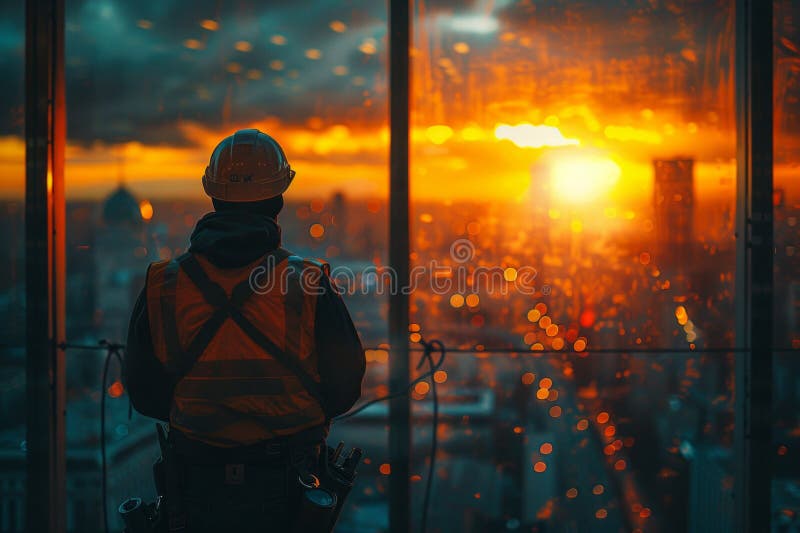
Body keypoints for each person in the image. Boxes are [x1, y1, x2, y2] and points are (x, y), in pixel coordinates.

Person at [124, 128, 365, 532]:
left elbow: (145, 394)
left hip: (196, 489)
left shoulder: (164, 285)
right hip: (292, 486)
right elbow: (345, 388)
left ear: (212, 195)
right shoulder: (307, 283)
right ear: (279, 199)